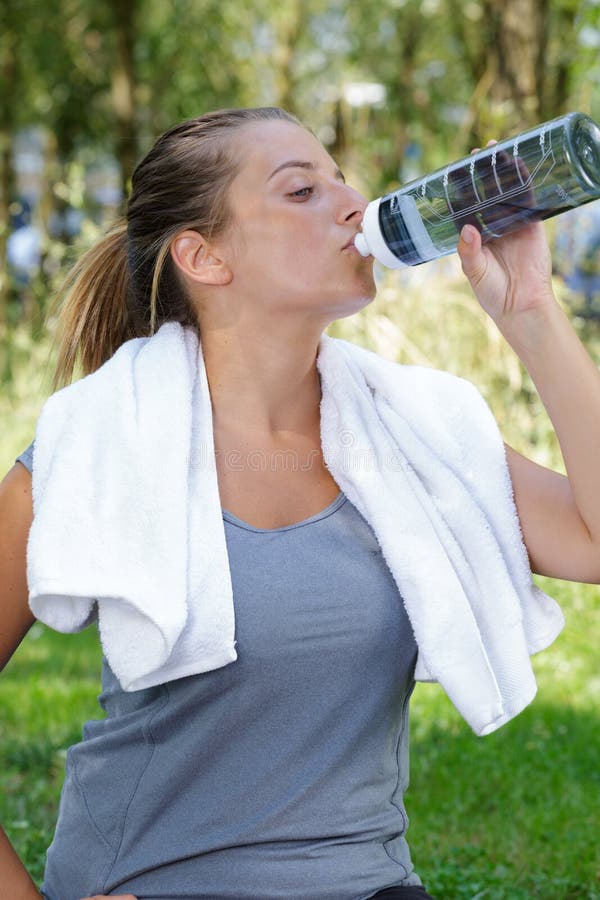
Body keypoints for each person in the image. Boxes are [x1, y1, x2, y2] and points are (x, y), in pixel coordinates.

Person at [1, 106, 599, 900]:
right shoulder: (99, 447)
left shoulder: (411, 435)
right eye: (301, 190)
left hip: (368, 884)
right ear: (203, 256)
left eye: (342, 179)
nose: (353, 203)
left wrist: (532, 313)